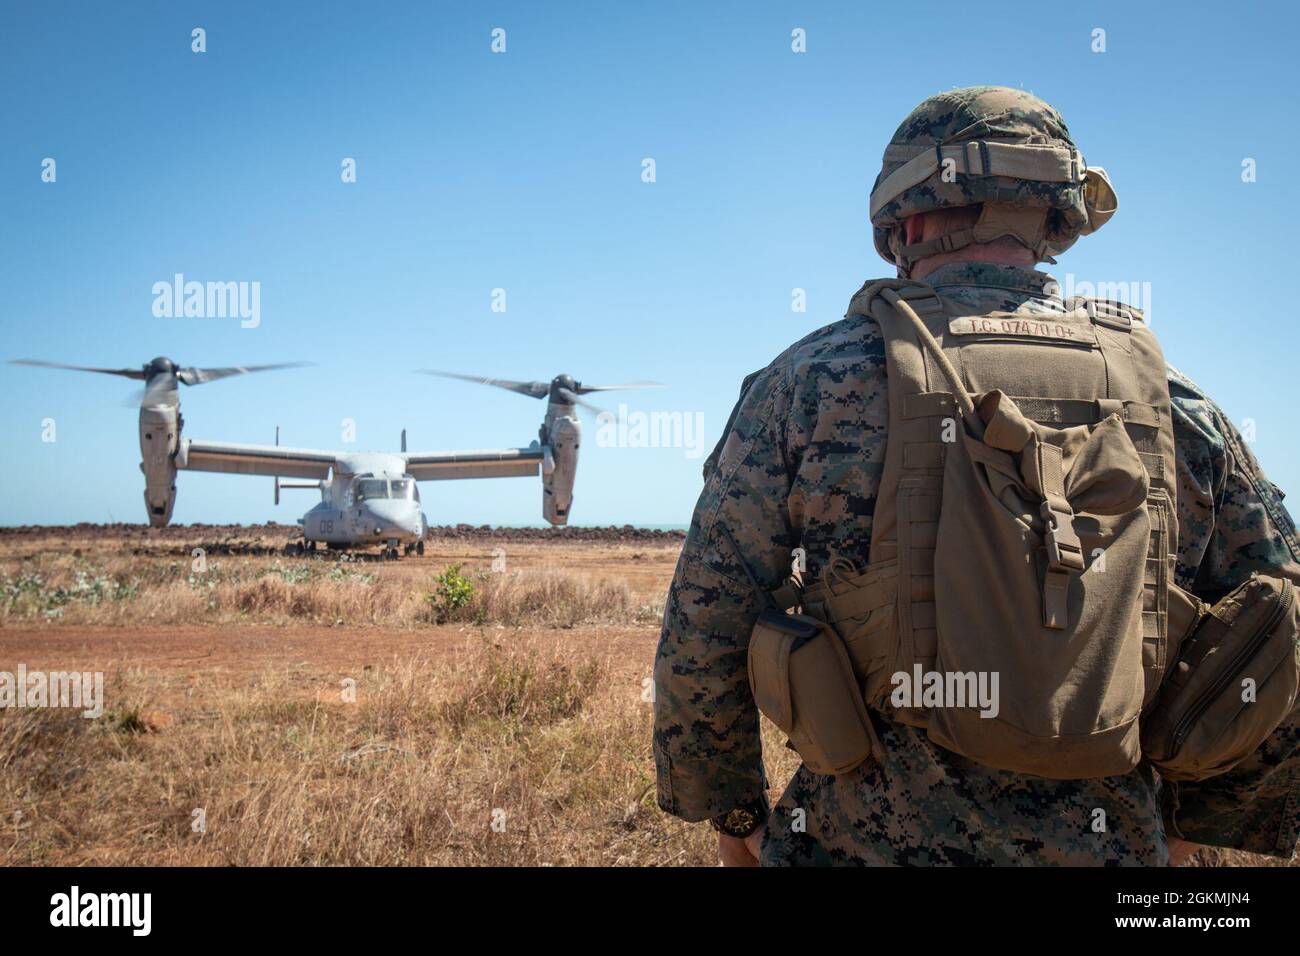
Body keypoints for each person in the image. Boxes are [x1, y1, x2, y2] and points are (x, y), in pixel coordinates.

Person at [652, 86, 1300, 866]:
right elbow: (1278, 616)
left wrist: (735, 816)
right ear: (1057, 219)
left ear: (907, 219)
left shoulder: (811, 383)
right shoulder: (1172, 401)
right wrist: (1199, 829)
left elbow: (706, 614)